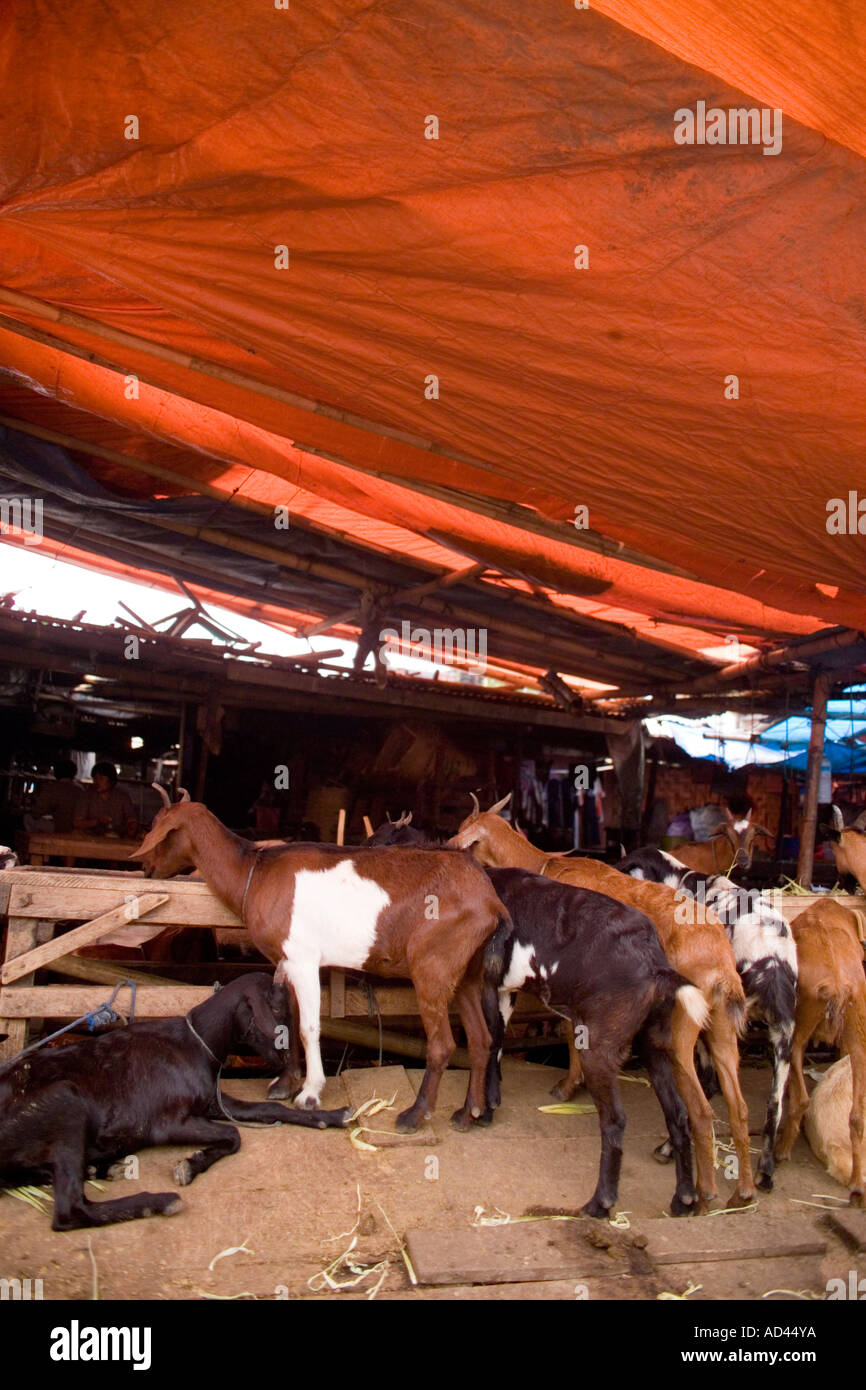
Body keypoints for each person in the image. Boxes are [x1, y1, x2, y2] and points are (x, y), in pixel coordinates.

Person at [75, 762, 138, 837]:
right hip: (90, 839)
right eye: (95, 778)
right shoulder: (86, 797)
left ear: (111, 780)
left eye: (101, 778)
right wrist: (97, 821)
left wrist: (131, 827)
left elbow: (131, 818)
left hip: (117, 840)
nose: (97, 782)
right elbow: (77, 822)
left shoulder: (122, 798)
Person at [28, 758, 80, 833]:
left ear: (56, 772)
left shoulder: (52, 788)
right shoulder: (80, 789)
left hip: (58, 827)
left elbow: (37, 812)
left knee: (28, 818)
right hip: (76, 829)